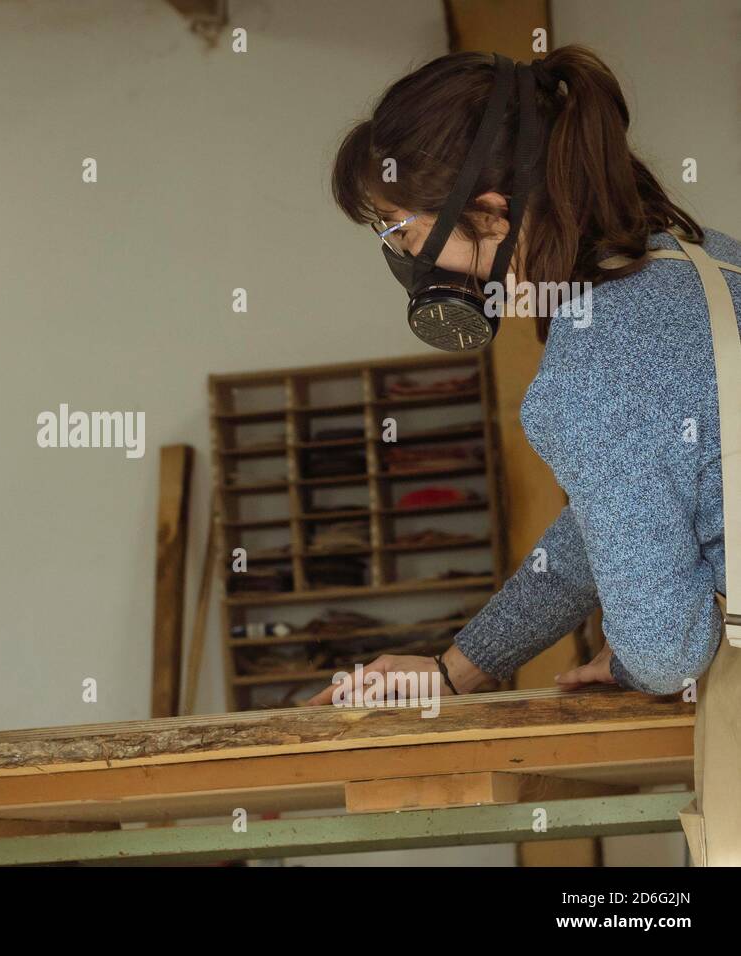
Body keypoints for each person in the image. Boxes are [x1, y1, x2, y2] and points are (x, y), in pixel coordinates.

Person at [307, 46, 741, 865]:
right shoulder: (715, 261)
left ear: (493, 212)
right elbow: (603, 524)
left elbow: (664, 650)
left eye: (399, 229)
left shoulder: (590, 367)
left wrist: (657, 636)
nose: (401, 258)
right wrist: (456, 668)